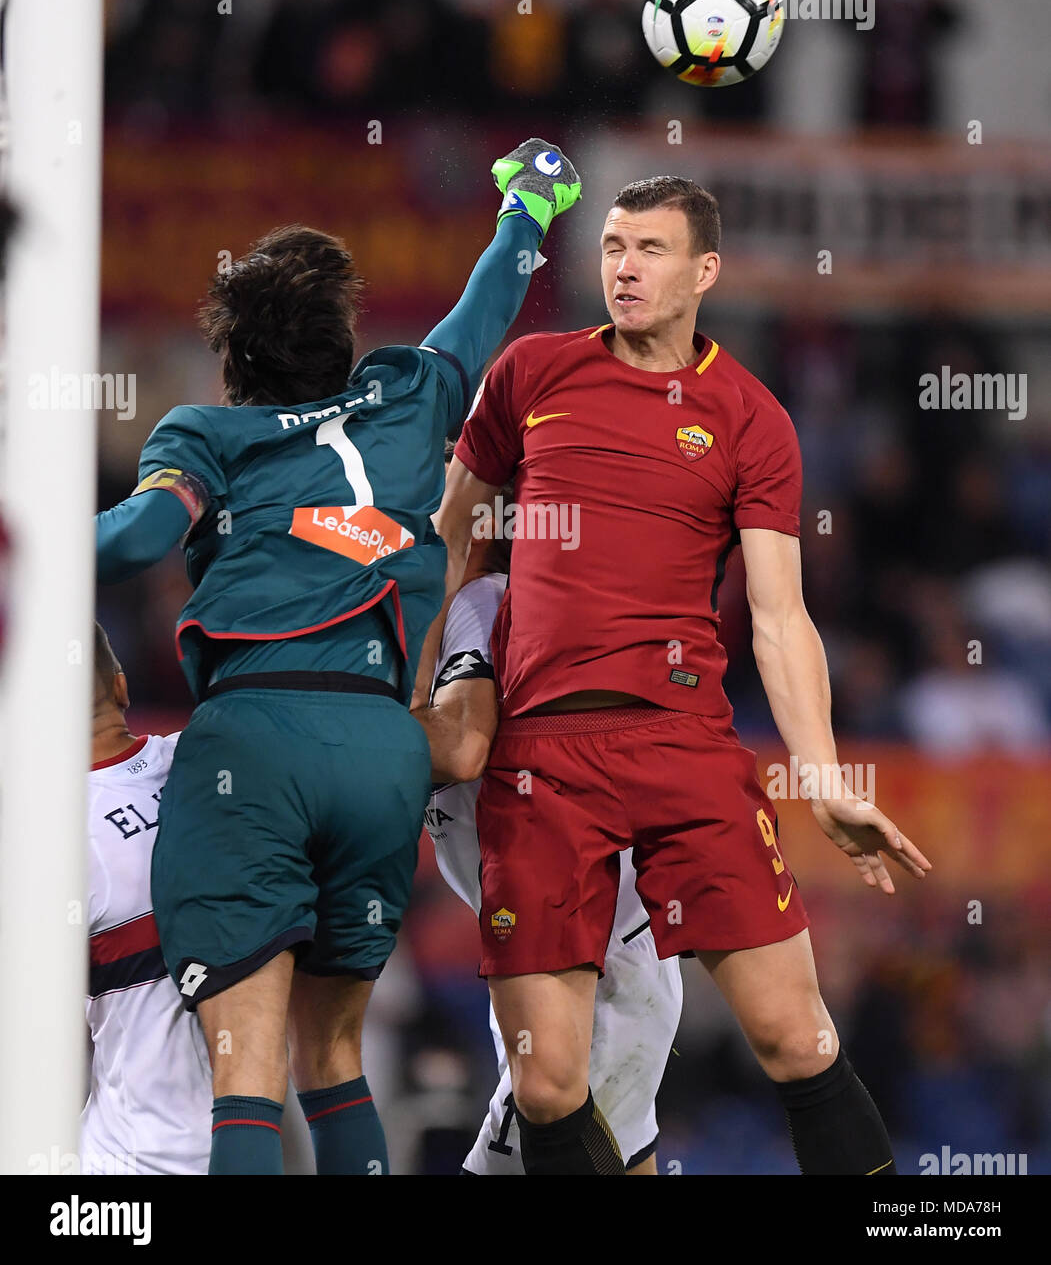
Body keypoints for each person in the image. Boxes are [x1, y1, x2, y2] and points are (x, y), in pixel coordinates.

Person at [94, 140, 581, 1175]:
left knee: (247, 1072)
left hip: (255, 742)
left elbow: (137, 542)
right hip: (380, 749)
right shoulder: (408, 396)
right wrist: (529, 206)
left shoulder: (209, 434)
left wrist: (30, 542)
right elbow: (485, 311)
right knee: (335, 1054)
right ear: (344, 337)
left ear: (235, 363)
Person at [430, 174, 932, 1175]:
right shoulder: (529, 373)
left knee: (798, 1038)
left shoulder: (749, 416)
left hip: (684, 741)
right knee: (545, 1082)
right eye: (614, 245)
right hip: (539, 752)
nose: (623, 266)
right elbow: (452, 537)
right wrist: (425, 673)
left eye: (650, 249)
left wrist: (823, 773)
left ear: (704, 270)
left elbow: (779, 615)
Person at [411, 503, 682, 1176]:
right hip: (564, 953)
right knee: (622, 1156)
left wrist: (329, 717)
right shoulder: (444, 621)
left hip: (590, 960)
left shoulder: (485, 599)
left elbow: (460, 749)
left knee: (517, 1151)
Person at [83, 622, 211, 1174]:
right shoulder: (221, 762)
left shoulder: (36, 842)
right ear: (120, 688)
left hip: (131, 1166)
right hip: (262, 1140)